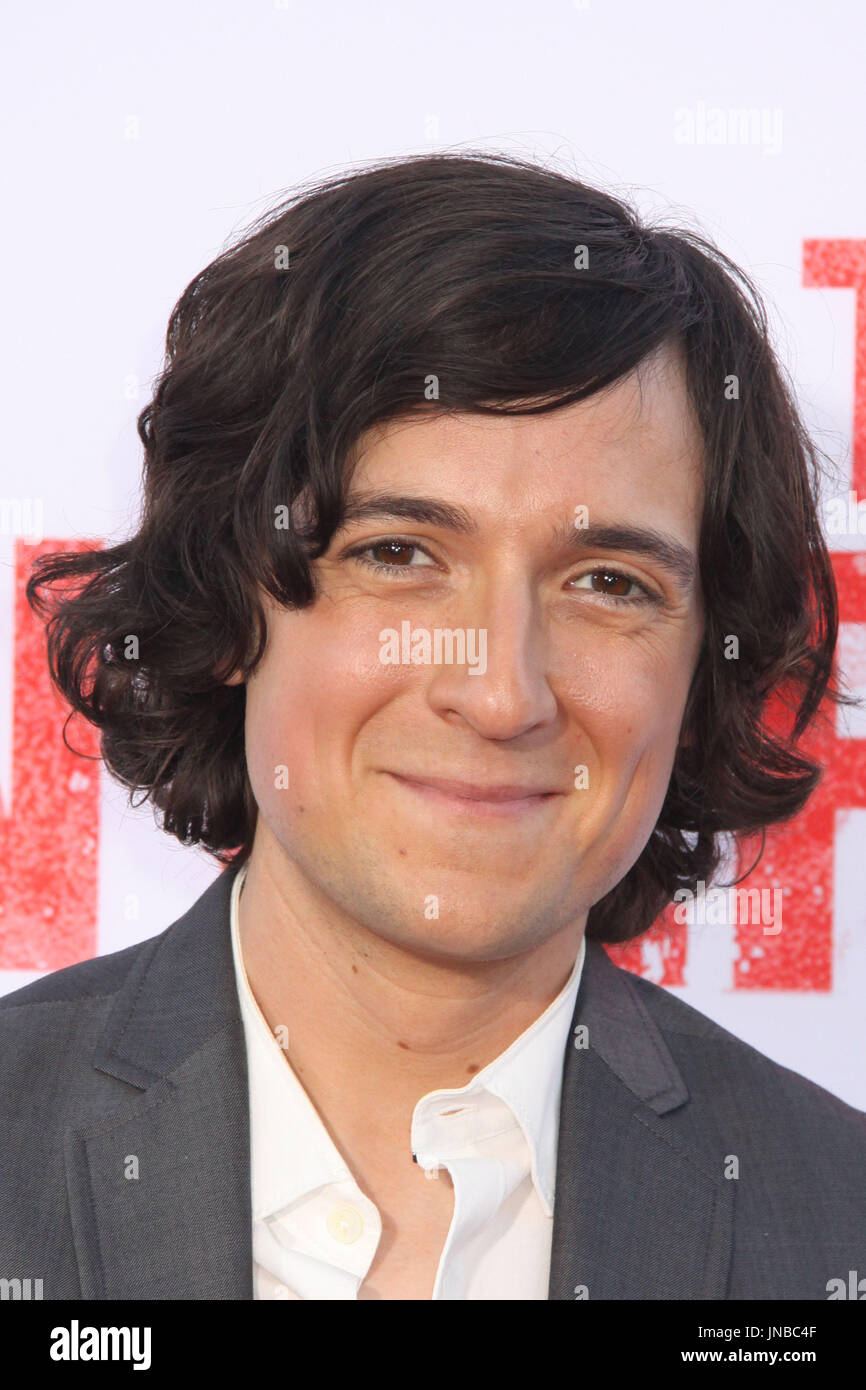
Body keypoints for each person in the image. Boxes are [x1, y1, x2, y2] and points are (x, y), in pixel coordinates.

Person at [2, 151, 864, 1301]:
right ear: (224, 605)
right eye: (397, 554)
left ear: (701, 677)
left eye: (607, 582)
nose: (500, 691)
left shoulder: (833, 1225)